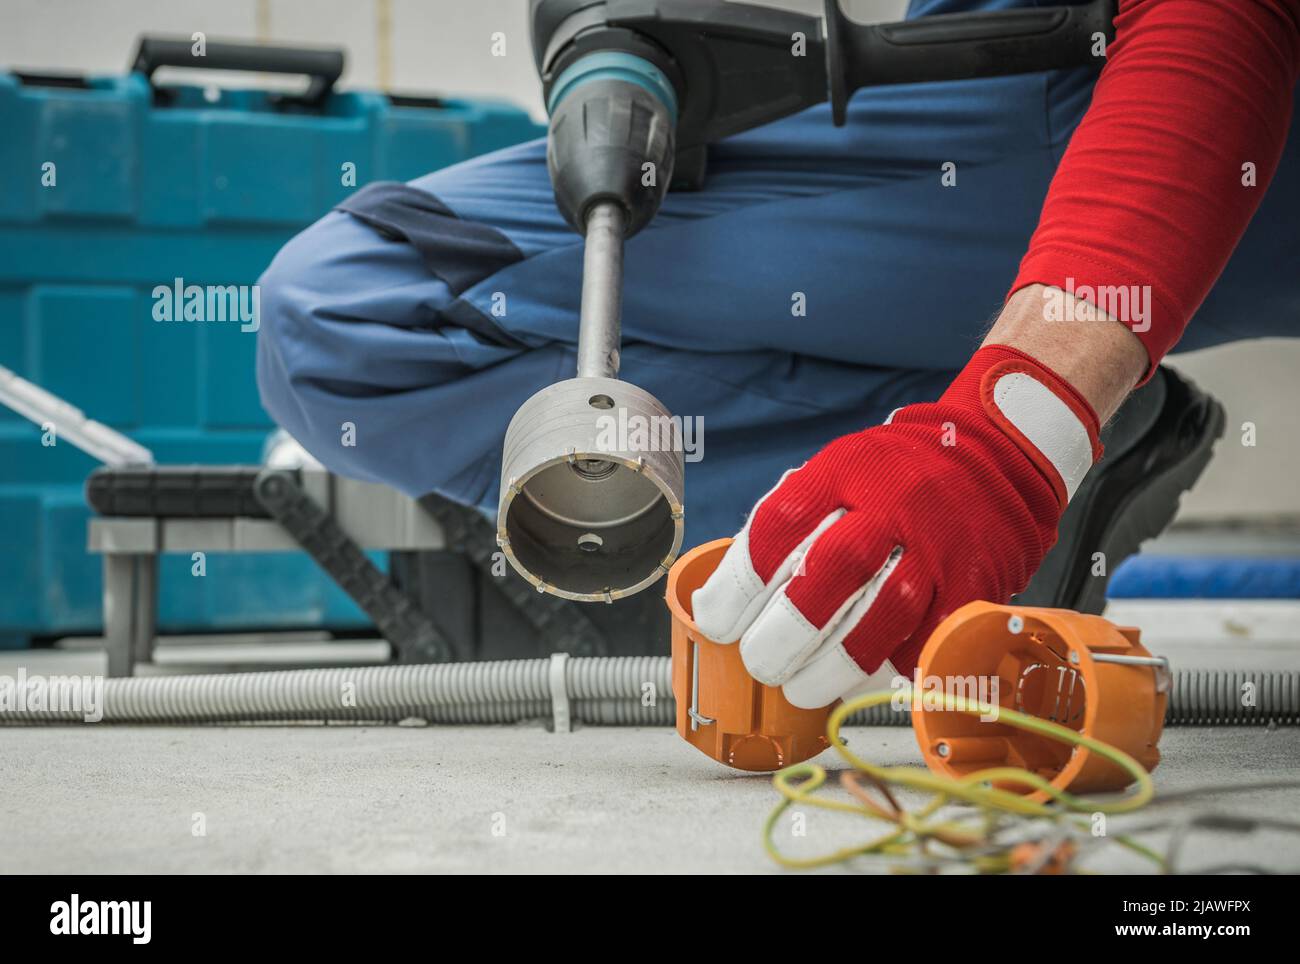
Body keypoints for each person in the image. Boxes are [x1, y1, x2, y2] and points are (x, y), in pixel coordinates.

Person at [256, 0, 1299, 706]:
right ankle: (1036, 451)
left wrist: (1002, 437)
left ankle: (1033, 438)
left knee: (354, 304)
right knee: (339, 319)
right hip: (1004, 96)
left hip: (1156, 95)